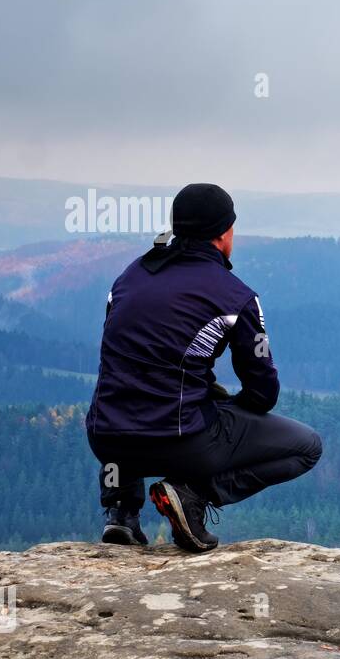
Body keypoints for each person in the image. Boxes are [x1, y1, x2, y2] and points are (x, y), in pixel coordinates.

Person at [86, 183, 321, 552]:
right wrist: (220, 407)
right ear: (225, 233)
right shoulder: (235, 296)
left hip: (105, 436)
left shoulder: (129, 278)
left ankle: (121, 513)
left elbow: (126, 357)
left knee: (130, 395)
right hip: (177, 442)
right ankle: (192, 494)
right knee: (306, 446)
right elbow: (263, 395)